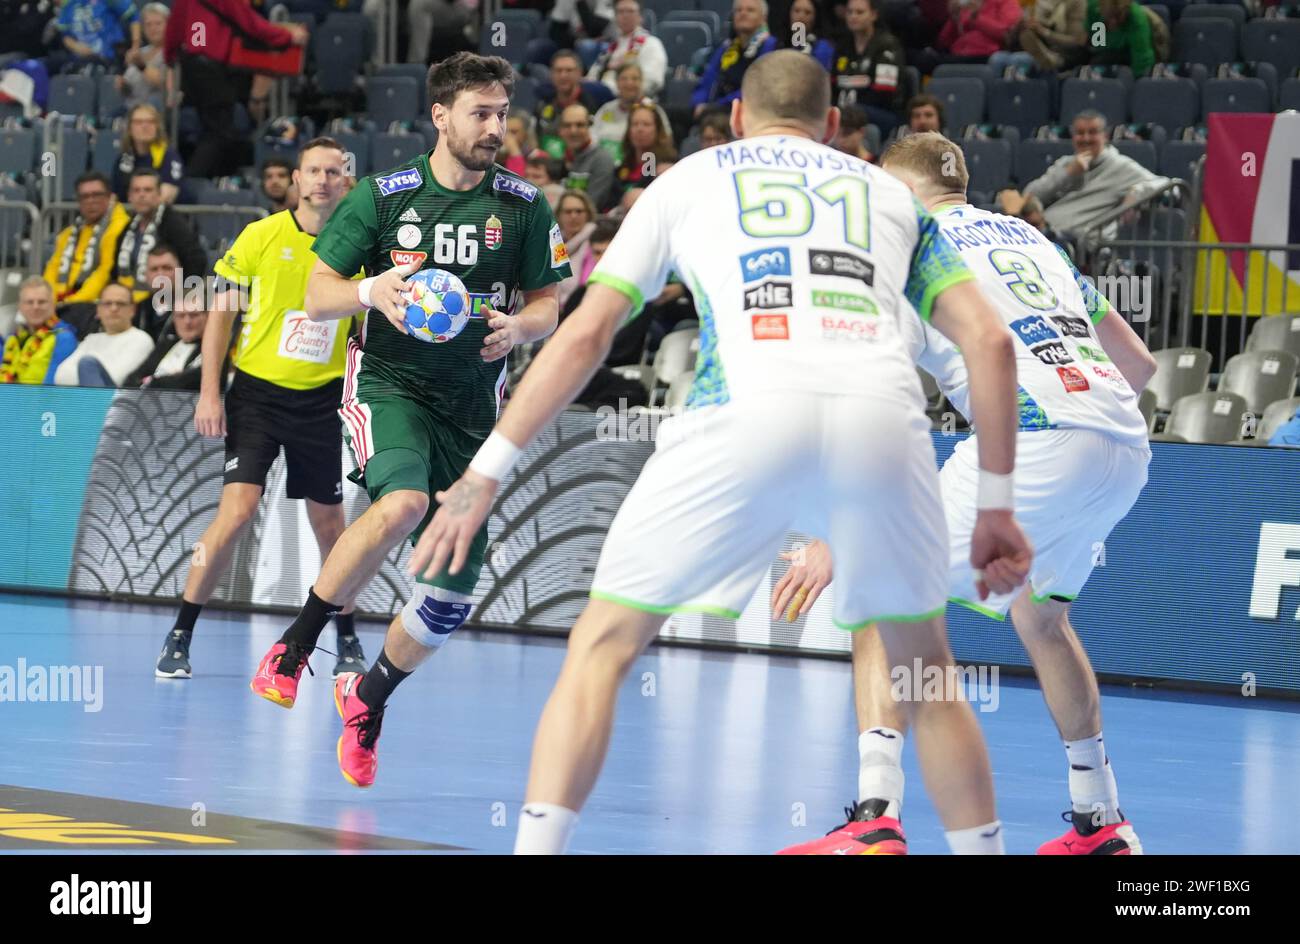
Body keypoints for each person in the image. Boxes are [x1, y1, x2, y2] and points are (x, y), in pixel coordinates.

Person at [410, 49, 1033, 855]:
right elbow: (990, 344)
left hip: (742, 411)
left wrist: (485, 473)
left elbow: (589, 332)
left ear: (737, 118)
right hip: (881, 417)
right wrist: (995, 508)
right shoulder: (890, 194)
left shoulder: (687, 179)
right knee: (930, 673)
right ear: (835, 126)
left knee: (602, 645)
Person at [772, 131, 1155, 856]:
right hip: (1122, 440)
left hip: (1038, 435)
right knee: (1042, 622)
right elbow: (1136, 362)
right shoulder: (1028, 236)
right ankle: (1101, 821)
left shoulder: (905, 245)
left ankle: (875, 818)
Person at [248, 53, 570, 789]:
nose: (494, 127)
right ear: (441, 116)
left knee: (450, 598)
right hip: (390, 386)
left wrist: (522, 328)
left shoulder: (521, 205)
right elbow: (316, 295)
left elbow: (550, 302)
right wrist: (371, 292)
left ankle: (366, 698)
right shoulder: (384, 197)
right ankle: (295, 646)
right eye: (480, 113)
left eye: (501, 114)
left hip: (473, 411)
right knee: (402, 502)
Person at [154, 137, 366, 681]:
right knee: (236, 512)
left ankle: (345, 639)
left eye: (333, 172)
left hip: (321, 403)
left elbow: (367, 326)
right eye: (312, 170)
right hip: (256, 395)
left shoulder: (362, 246)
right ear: (296, 180)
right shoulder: (260, 236)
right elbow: (221, 312)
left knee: (330, 525)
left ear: (346, 181)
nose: (322, 179)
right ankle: (180, 633)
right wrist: (209, 391)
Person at [163, 0, 307, 179]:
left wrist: (170, 57)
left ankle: (208, 184)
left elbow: (174, 29)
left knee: (210, 130)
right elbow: (250, 23)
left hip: (190, 67)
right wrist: (286, 36)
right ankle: (192, 182)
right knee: (220, 133)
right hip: (211, 68)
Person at [997, 110, 1168, 242]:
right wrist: (1068, 173)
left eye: (1092, 132)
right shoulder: (1066, 163)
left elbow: (1167, 186)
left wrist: (1139, 192)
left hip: (1078, 245)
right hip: (1044, 236)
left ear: (1105, 136)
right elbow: (1029, 196)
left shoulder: (1121, 166)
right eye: (1080, 133)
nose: (1085, 138)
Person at [44, 171, 131, 338]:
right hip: (60, 302)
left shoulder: (119, 229)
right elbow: (53, 268)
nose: (91, 201)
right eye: (85, 196)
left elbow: (104, 272)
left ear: (110, 197)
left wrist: (71, 302)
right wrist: (48, 299)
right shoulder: (68, 234)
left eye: (97, 195)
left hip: (90, 304)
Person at [114, 168, 206, 305]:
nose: (142, 195)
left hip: (163, 301)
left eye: (147, 190)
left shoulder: (174, 224)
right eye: (136, 190)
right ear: (129, 196)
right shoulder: (127, 228)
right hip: (128, 299)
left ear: (159, 194)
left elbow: (196, 261)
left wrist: (178, 297)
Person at [54, 282, 154, 386]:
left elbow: (117, 379)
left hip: (114, 401)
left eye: (121, 303)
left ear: (132, 310)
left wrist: (87, 372)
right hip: (83, 399)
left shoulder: (140, 339)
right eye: (107, 303)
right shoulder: (91, 339)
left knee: (87, 364)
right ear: (98, 310)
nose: (114, 308)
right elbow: (60, 377)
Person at [692, 0, 778, 117]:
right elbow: (707, 80)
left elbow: (757, 89)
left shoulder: (771, 46)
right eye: (738, 10)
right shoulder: (726, 48)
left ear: (763, 18)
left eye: (750, 10)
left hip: (747, 111)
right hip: (713, 110)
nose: (743, 13)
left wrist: (716, 106)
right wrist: (698, 103)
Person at [831, 0, 905, 137]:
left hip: (881, 114)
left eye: (859, 12)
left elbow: (884, 94)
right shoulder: (842, 46)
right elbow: (833, 85)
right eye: (850, 12)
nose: (853, 16)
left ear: (873, 15)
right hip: (845, 111)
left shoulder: (887, 45)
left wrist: (851, 110)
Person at [0, 278, 78, 385]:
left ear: (52, 304)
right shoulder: (13, 338)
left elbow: (51, 391)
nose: (35, 307)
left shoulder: (64, 338)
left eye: (42, 302)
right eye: (29, 302)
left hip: (40, 400)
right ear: (20, 306)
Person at [914, 0, 1023, 75]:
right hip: (958, 55)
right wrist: (953, 18)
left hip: (986, 55)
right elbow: (943, 42)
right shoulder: (965, 5)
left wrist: (976, 17)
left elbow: (1007, 34)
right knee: (920, 59)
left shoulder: (1005, 2)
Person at [588, 0, 667, 98]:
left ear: (640, 17)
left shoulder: (651, 44)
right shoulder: (610, 48)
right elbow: (592, 76)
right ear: (615, 17)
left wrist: (624, 91)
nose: (625, 15)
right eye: (620, 12)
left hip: (634, 102)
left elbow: (653, 80)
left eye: (630, 11)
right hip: (603, 101)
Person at [591, 63, 670, 159]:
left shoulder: (653, 110)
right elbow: (592, 138)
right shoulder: (606, 109)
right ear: (616, 82)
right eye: (624, 79)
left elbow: (665, 144)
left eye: (635, 79)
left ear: (642, 82)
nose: (629, 83)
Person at [127, 293, 205, 389]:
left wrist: (153, 382)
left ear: (207, 317)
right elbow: (132, 380)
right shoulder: (166, 344)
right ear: (174, 319)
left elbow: (193, 380)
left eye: (194, 315)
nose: (187, 321)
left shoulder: (212, 348)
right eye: (181, 315)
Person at [113, 103, 184, 204]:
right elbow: (116, 196)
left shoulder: (169, 156)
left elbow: (166, 196)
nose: (145, 126)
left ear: (157, 127)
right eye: (138, 122)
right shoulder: (125, 158)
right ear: (129, 129)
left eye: (151, 122)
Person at [991, 0, 1087, 74]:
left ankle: (1051, 60)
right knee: (997, 58)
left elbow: (1076, 41)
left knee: (1019, 60)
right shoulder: (1036, 3)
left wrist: (1044, 32)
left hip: (1061, 51)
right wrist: (1020, 26)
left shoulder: (1075, 3)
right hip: (1032, 46)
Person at [536, 49, 603, 152]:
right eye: (558, 71)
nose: (563, 76)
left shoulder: (593, 106)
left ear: (579, 73)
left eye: (569, 70)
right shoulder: (543, 105)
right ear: (551, 75)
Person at [557, 104, 617, 211]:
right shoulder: (558, 158)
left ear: (589, 127)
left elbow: (591, 206)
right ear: (560, 130)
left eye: (579, 125)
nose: (573, 131)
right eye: (567, 125)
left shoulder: (602, 159)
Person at [55, 0, 140, 69]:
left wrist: (135, 47)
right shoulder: (69, 5)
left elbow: (133, 16)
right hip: (81, 61)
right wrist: (76, 47)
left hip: (111, 58)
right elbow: (65, 36)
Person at [119, 2, 171, 109]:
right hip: (131, 107)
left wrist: (141, 66)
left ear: (169, 25)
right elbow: (130, 89)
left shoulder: (172, 53)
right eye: (148, 24)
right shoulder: (139, 52)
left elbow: (165, 83)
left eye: (158, 23)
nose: (153, 28)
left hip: (156, 110)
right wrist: (123, 86)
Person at [614, 102, 676, 193]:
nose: (640, 129)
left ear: (658, 131)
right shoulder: (622, 167)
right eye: (635, 124)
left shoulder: (666, 167)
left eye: (646, 124)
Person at [1086, 0, 1156, 77]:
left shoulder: (1136, 18)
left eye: (1118, 16)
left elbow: (1142, 59)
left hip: (1127, 55)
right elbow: (1092, 41)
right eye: (1109, 16)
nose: (1114, 21)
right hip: (1102, 53)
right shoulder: (1093, 8)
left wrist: (1136, 82)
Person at [784, 0, 833, 69]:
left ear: (815, 17)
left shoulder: (823, 48)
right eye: (797, 11)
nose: (801, 16)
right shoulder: (778, 44)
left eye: (807, 12)